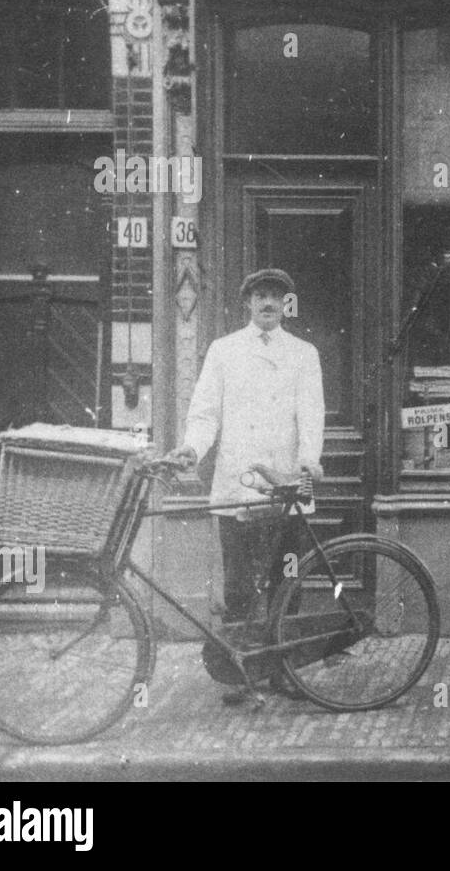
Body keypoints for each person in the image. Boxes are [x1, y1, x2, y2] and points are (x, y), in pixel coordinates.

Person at [166, 268, 325, 704]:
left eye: (277, 295)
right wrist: (192, 451)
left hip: (287, 486)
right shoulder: (224, 351)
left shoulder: (304, 353)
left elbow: (312, 415)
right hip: (238, 484)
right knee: (237, 587)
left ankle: (285, 672)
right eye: (261, 295)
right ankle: (240, 674)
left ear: (286, 304)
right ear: (248, 303)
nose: (269, 303)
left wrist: (309, 461)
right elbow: (205, 414)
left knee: (286, 582)